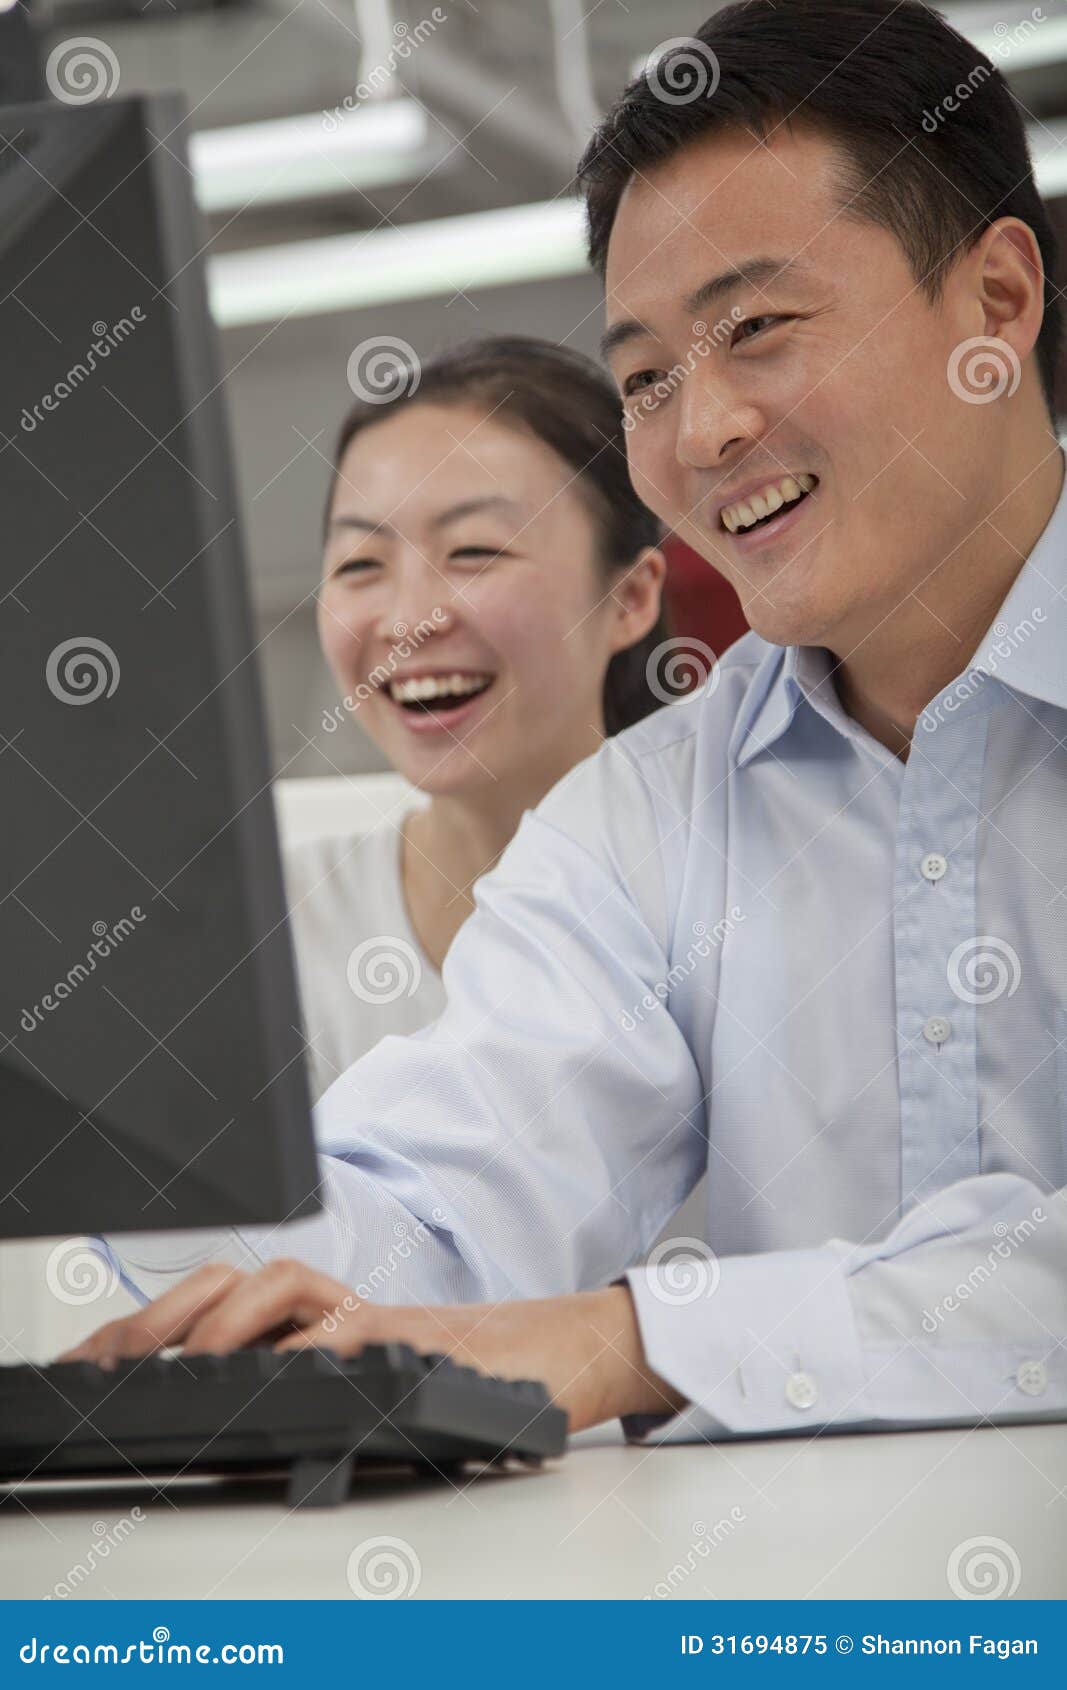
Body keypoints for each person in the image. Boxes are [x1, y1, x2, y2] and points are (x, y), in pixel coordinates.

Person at [78, 0, 1067, 1447]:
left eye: (755, 329)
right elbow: (444, 1197)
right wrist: (143, 1101)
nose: (700, 428)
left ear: (991, 302)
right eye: (645, 375)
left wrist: (636, 1336)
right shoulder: (644, 819)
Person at [283, 335, 670, 1101]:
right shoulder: (271, 927)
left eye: (474, 551)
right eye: (361, 564)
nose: (410, 620)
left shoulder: (745, 895)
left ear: (627, 598)